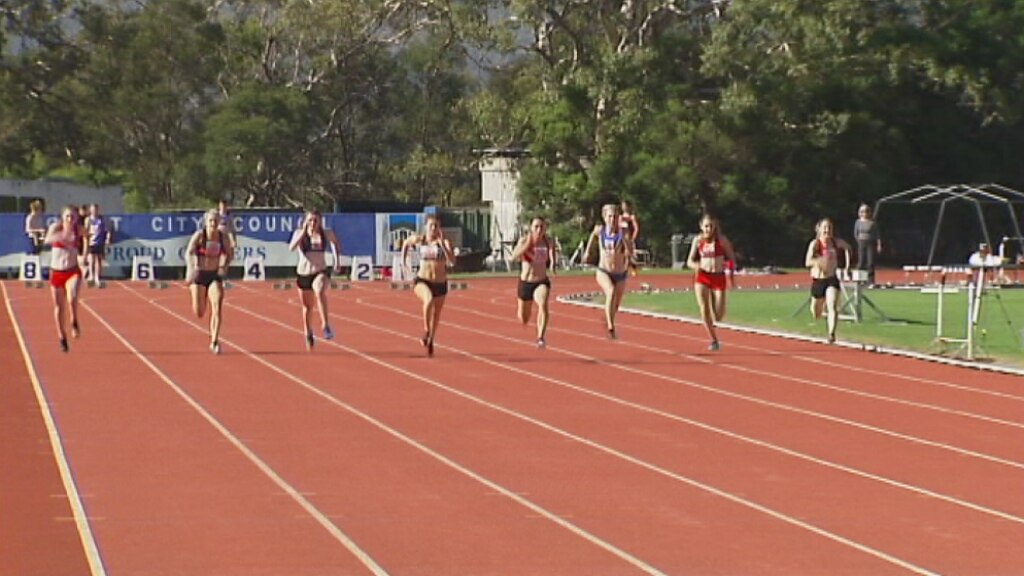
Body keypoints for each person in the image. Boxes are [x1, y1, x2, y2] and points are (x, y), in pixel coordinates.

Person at [401, 214, 455, 357]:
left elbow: (453, 261)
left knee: (436, 315)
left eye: (436, 226)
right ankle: (426, 330)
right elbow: (405, 243)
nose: (433, 229)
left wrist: (443, 245)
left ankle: (431, 338)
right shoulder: (420, 240)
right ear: (425, 227)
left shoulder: (445, 242)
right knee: (428, 299)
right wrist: (403, 262)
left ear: (440, 228)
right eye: (430, 225)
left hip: (440, 282)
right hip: (422, 280)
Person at [289, 210, 342, 349]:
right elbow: (291, 247)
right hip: (303, 273)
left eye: (316, 220)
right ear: (305, 221)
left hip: (320, 271)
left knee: (319, 290)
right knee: (307, 307)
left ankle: (325, 325)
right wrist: (303, 232)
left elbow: (335, 242)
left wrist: (337, 261)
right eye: (310, 220)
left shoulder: (326, 233)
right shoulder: (299, 234)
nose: (313, 223)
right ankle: (308, 332)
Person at [185, 209, 235, 354]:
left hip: (214, 275)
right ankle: (196, 294)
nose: (213, 224)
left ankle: (214, 341)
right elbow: (189, 252)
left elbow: (230, 254)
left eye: (215, 221)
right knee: (199, 312)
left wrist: (223, 266)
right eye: (210, 221)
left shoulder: (222, 237)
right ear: (206, 223)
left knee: (217, 305)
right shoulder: (200, 236)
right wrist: (193, 266)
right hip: (199, 275)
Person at [583, 203, 634, 339]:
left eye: (615, 216)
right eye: (610, 216)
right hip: (603, 270)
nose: (612, 219)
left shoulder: (623, 232)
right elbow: (592, 237)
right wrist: (588, 252)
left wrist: (624, 239)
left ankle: (609, 318)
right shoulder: (600, 230)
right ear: (604, 217)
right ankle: (611, 327)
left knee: (615, 304)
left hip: (620, 273)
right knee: (610, 292)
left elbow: (630, 251)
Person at [686, 214, 737, 351]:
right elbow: (689, 261)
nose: (709, 229)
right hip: (702, 277)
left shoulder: (722, 240)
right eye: (706, 226)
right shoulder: (698, 240)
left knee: (719, 315)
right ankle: (714, 339)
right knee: (704, 308)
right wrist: (696, 266)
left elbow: (732, 259)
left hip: (718, 277)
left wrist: (731, 276)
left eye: (711, 226)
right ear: (701, 226)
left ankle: (715, 313)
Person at [43, 206, 84, 352]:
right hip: (57, 272)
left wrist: (84, 255)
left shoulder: (78, 230)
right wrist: (60, 237)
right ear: (62, 217)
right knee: (59, 307)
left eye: (73, 217)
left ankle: (74, 320)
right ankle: (62, 337)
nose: (70, 219)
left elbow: (87, 239)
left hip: (72, 270)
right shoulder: (56, 227)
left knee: (72, 297)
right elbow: (47, 240)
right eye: (67, 216)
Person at [511, 216, 557, 348]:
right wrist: (527, 245)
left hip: (541, 281)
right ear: (531, 228)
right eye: (536, 227)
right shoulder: (524, 240)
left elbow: (552, 251)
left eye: (542, 227)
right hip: (526, 283)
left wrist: (553, 263)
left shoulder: (547, 242)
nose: (539, 230)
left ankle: (540, 337)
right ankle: (525, 315)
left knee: (543, 304)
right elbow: (514, 256)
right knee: (523, 318)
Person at [806, 218, 852, 344]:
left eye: (830, 227)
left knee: (833, 306)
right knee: (816, 314)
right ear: (819, 229)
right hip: (818, 280)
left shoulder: (836, 242)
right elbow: (807, 262)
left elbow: (848, 248)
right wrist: (818, 262)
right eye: (825, 227)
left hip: (831, 279)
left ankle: (831, 333)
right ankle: (819, 305)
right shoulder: (815, 244)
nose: (828, 230)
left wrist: (847, 267)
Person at [853, 204, 881, 285]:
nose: (864, 213)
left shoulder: (872, 223)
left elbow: (877, 234)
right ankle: (858, 279)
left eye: (866, 211)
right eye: (862, 211)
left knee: (870, 262)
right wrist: (858, 241)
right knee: (861, 261)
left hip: (870, 243)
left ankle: (871, 280)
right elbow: (856, 233)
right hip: (861, 242)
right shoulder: (858, 222)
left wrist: (879, 244)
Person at [85, 204, 111, 286]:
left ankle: (97, 277)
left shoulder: (102, 219)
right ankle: (91, 276)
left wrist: (107, 239)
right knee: (91, 260)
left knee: (98, 260)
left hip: (100, 242)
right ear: (90, 210)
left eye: (96, 209)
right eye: (93, 209)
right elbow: (86, 230)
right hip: (91, 242)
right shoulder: (88, 219)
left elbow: (107, 230)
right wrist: (88, 235)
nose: (94, 211)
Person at [620, 200, 641, 275]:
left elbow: (636, 228)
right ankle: (631, 268)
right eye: (622, 205)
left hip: (628, 238)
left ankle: (627, 269)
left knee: (628, 254)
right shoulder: (620, 217)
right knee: (624, 255)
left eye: (625, 205)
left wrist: (633, 238)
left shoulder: (632, 217)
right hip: (621, 238)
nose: (623, 207)